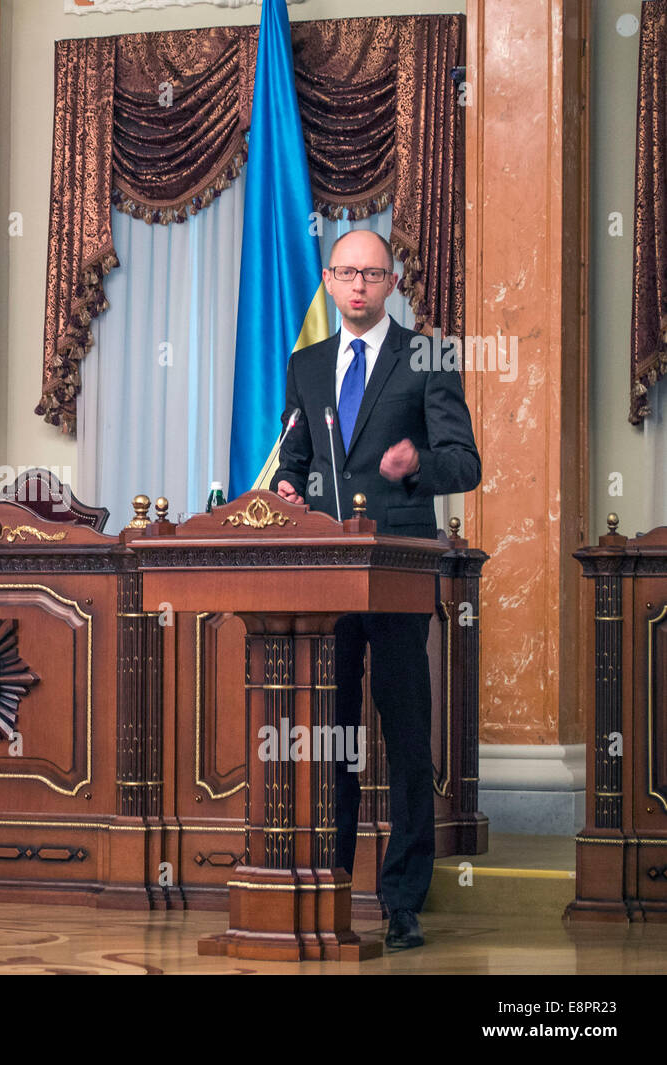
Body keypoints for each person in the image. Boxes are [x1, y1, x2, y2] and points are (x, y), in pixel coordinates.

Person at [272, 229, 481, 951]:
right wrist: (287, 487)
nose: (358, 285)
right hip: (323, 576)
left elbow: (465, 461)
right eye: (346, 273)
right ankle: (329, 883)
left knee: (406, 739)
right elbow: (292, 453)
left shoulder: (427, 355)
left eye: (372, 273)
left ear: (392, 282)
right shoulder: (306, 363)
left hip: (395, 570)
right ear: (329, 281)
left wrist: (415, 462)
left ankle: (402, 899)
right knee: (331, 739)